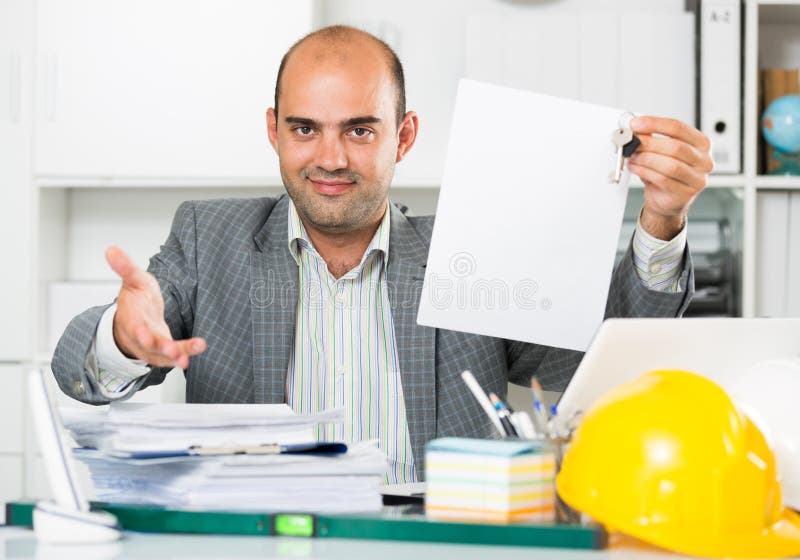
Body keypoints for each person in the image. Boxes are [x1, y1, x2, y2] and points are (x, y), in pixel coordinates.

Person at [52, 25, 713, 482]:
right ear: (273, 132)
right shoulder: (208, 237)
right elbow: (77, 375)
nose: (331, 158)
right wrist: (125, 339)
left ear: (404, 135)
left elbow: (601, 356)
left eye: (360, 129)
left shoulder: (469, 248)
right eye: (304, 128)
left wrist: (661, 219)